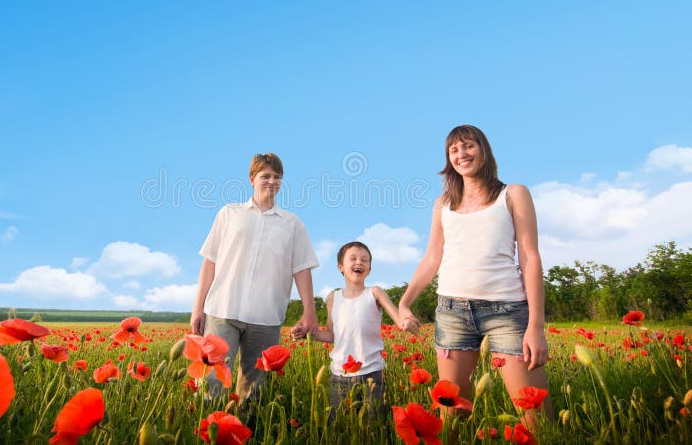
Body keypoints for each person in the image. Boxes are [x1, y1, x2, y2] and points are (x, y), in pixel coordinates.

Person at [399, 125, 554, 425]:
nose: (461, 154)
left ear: (484, 150)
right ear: (448, 160)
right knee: (452, 415)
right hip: (453, 312)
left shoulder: (513, 194)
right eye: (453, 150)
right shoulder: (442, 204)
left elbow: (530, 258)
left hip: (507, 312)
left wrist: (535, 325)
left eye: (468, 146)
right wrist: (405, 302)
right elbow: (432, 258)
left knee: (535, 417)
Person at [191, 153, 320, 402]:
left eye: (277, 177)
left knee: (254, 393)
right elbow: (210, 261)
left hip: (266, 317)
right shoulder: (229, 214)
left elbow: (302, 268)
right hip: (222, 310)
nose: (272, 181)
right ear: (252, 179)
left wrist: (309, 310)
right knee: (210, 385)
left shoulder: (292, 224)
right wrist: (198, 308)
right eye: (266, 176)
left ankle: (245, 437)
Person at [301, 241, 403, 419]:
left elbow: (398, 318)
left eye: (365, 260)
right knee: (339, 425)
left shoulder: (375, 293)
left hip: (371, 374)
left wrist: (407, 321)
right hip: (339, 375)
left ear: (369, 269)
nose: (359, 263)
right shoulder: (333, 298)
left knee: (372, 426)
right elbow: (332, 335)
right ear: (341, 267)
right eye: (353, 259)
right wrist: (309, 333)